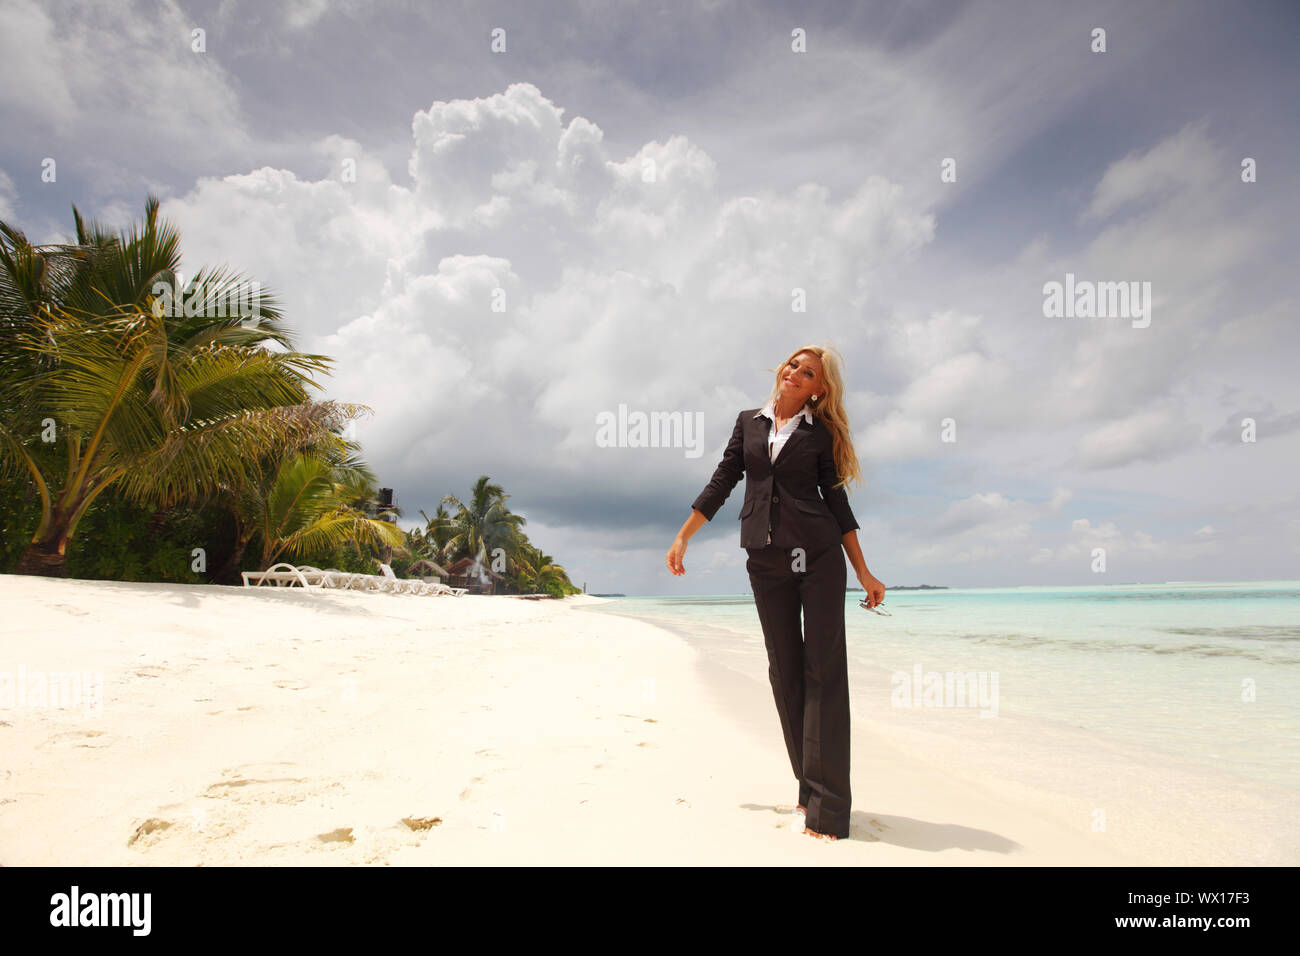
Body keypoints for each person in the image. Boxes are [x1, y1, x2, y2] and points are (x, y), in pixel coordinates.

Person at [666, 344, 885, 841]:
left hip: (821, 557)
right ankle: (808, 789)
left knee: (823, 671)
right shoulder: (749, 422)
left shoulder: (820, 432)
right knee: (785, 670)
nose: (795, 373)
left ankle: (828, 812)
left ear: (818, 389)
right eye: (793, 364)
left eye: (807, 372)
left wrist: (865, 572)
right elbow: (723, 480)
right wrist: (684, 535)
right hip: (766, 560)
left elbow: (836, 500)